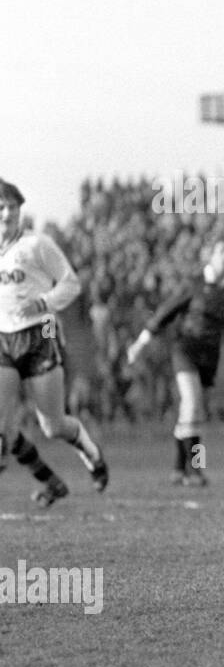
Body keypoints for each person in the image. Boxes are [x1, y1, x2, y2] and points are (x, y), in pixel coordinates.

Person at [0, 178, 110, 497]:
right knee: (2, 428)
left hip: (38, 336)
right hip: (2, 342)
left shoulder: (37, 245)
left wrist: (42, 302)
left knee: (53, 426)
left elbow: (70, 283)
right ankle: (50, 483)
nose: (6, 214)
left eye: (12, 207)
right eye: (1, 208)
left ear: (20, 210)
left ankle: (92, 455)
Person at [124, 234, 224, 485]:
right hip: (185, 351)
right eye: (222, 251)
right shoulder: (193, 285)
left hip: (209, 359)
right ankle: (195, 469)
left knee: (192, 412)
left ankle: (179, 467)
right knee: (191, 403)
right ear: (211, 254)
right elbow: (166, 312)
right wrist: (140, 343)